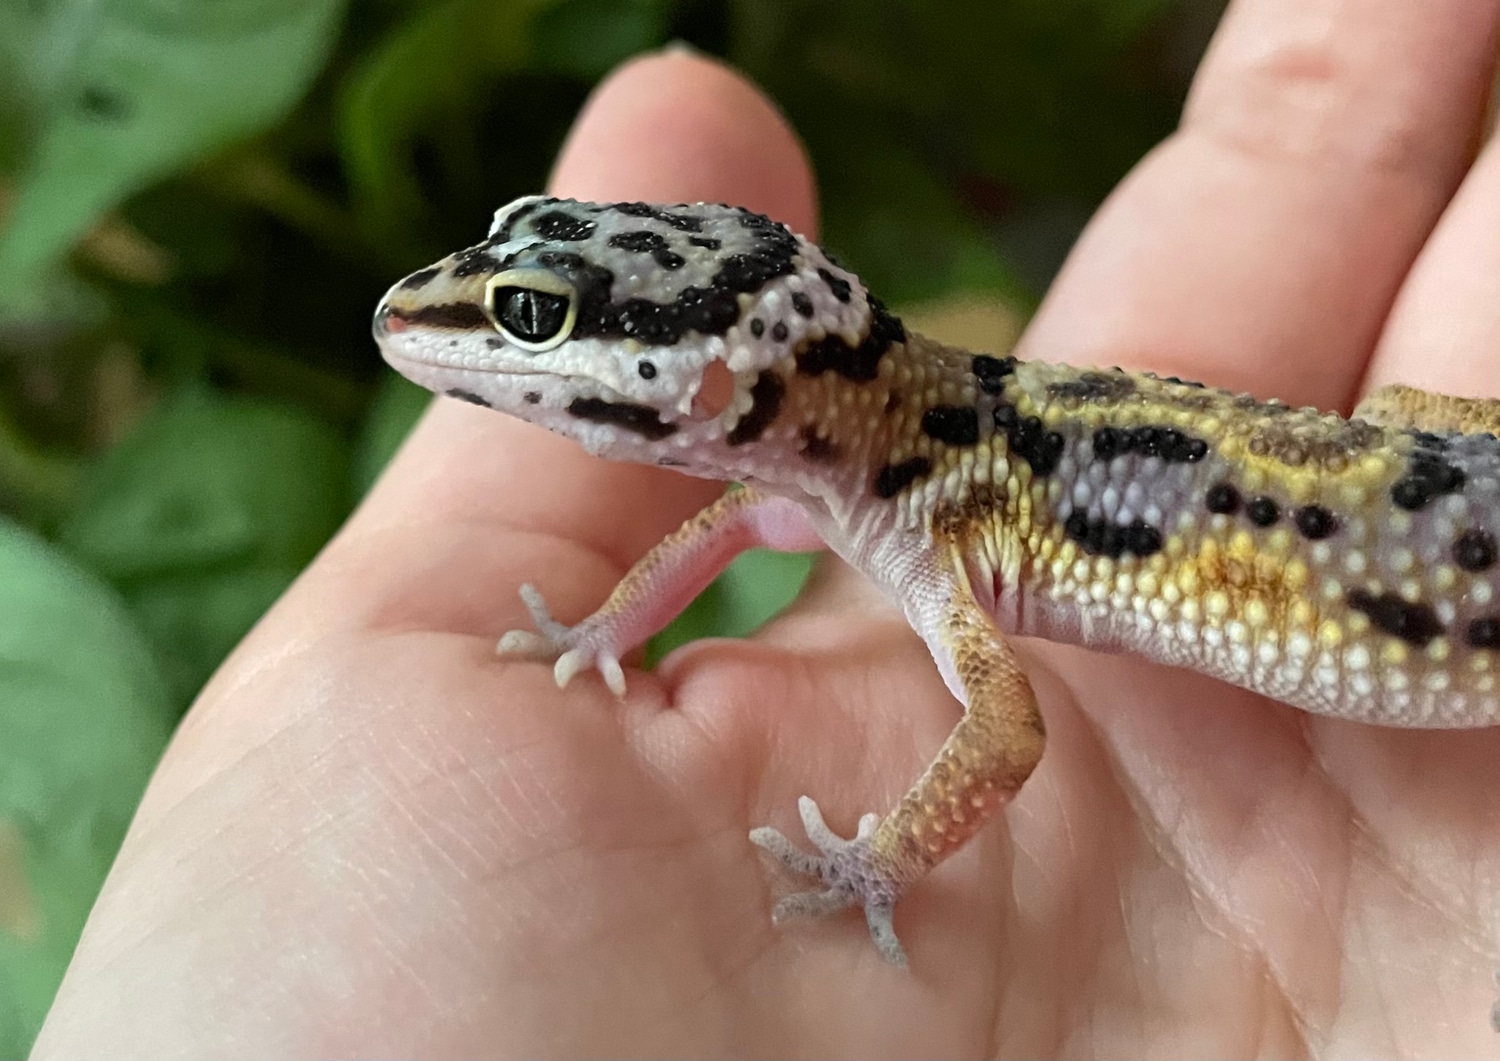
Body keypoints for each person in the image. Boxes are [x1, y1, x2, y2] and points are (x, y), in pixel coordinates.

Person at [30, 1, 1500, 1052]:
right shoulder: (844, 472)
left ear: (726, 380)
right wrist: (609, 624)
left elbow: (1006, 739)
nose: (454, 325)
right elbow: (742, 520)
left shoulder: (930, 515)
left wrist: (881, 860)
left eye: (533, 324)